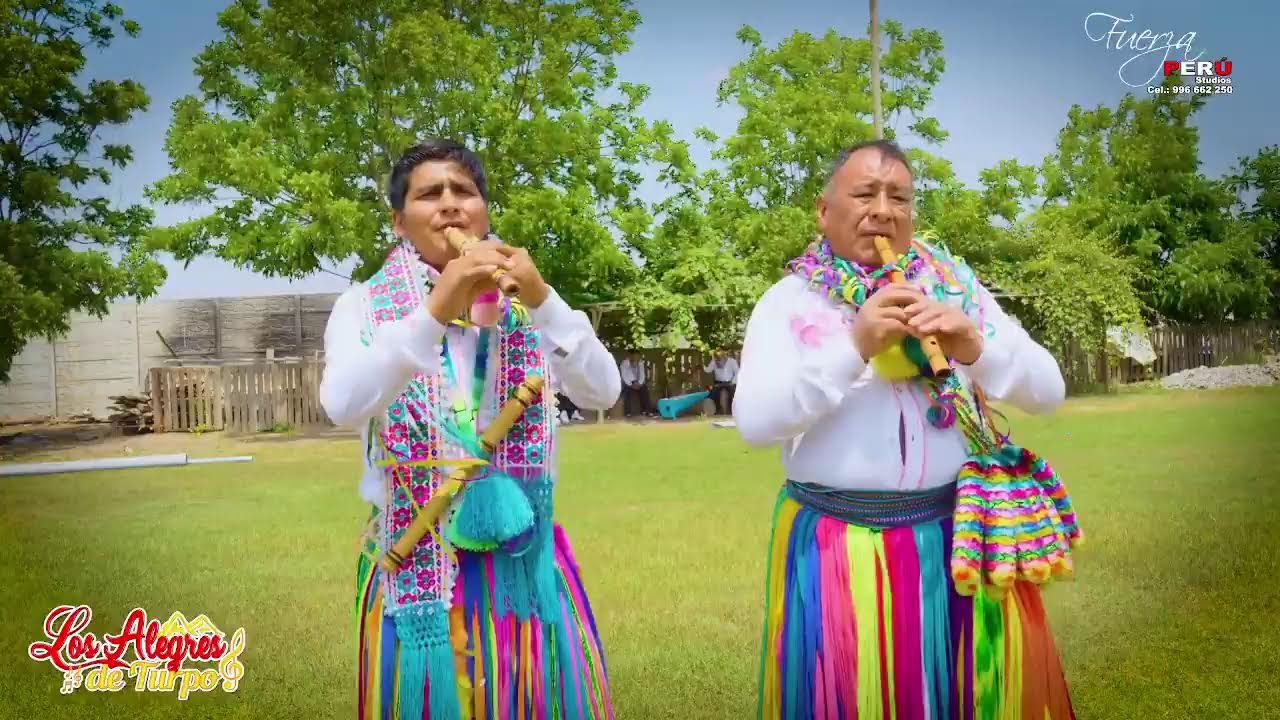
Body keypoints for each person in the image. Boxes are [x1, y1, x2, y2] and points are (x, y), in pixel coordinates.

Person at [733, 139, 1079, 719]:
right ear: (825, 210)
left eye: (899, 197)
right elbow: (756, 423)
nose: (883, 210)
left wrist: (974, 345)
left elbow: (1048, 391)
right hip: (839, 547)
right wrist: (854, 347)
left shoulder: (956, 289)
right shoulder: (789, 300)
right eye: (864, 194)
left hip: (956, 544)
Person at [320, 139, 619, 720]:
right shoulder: (362, 306)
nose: (450, 205)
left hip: (521, 554)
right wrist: (434, 310)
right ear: (399, 221)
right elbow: (343, 405)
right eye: (430, 194)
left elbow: (601, 391)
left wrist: (546, 302)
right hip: (414, 557)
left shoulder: (525, 305)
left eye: (465, 192)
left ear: (484, 210)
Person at [703, 349, 739, 415]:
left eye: (719, 359)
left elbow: (737, 372)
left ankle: (733, 411)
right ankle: (714, 411)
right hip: (718, 383)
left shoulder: (732, 361)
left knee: (734, 395)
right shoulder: (714, 362)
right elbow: (708, 370)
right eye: (717, 359)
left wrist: (733, 382)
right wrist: (702, 366)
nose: (718, 361)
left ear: (724, 357)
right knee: (711, 396)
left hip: (730, 383)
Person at [619, 350, 652, 418]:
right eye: (635, 357)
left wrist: (639, 384)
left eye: (638, 357)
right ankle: (627, 412)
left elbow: (642, 375)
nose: (637, 359)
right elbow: (624, 376)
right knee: (626, 392)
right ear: (630, 357)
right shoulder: (624, 363)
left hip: (637, 383)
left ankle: (647, 411)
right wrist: (632, 384)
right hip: (627, 383)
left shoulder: (640, 363)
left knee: (644, 390)